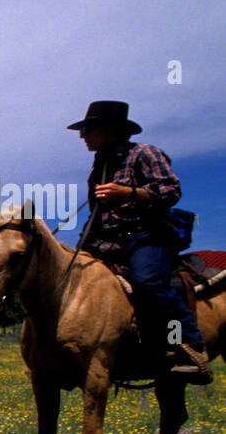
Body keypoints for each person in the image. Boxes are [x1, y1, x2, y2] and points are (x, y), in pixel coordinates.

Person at [69, 100, 210, 383]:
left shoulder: (145, 153)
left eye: (89, 129)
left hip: (148, 236)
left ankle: (193, 349)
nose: (83, 136)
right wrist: (80, 248)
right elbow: (97, 214)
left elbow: (171, 191)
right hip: (107, 242)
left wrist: (130, 194)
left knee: (148, 281)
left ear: (110, 129)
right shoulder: (100, 166)